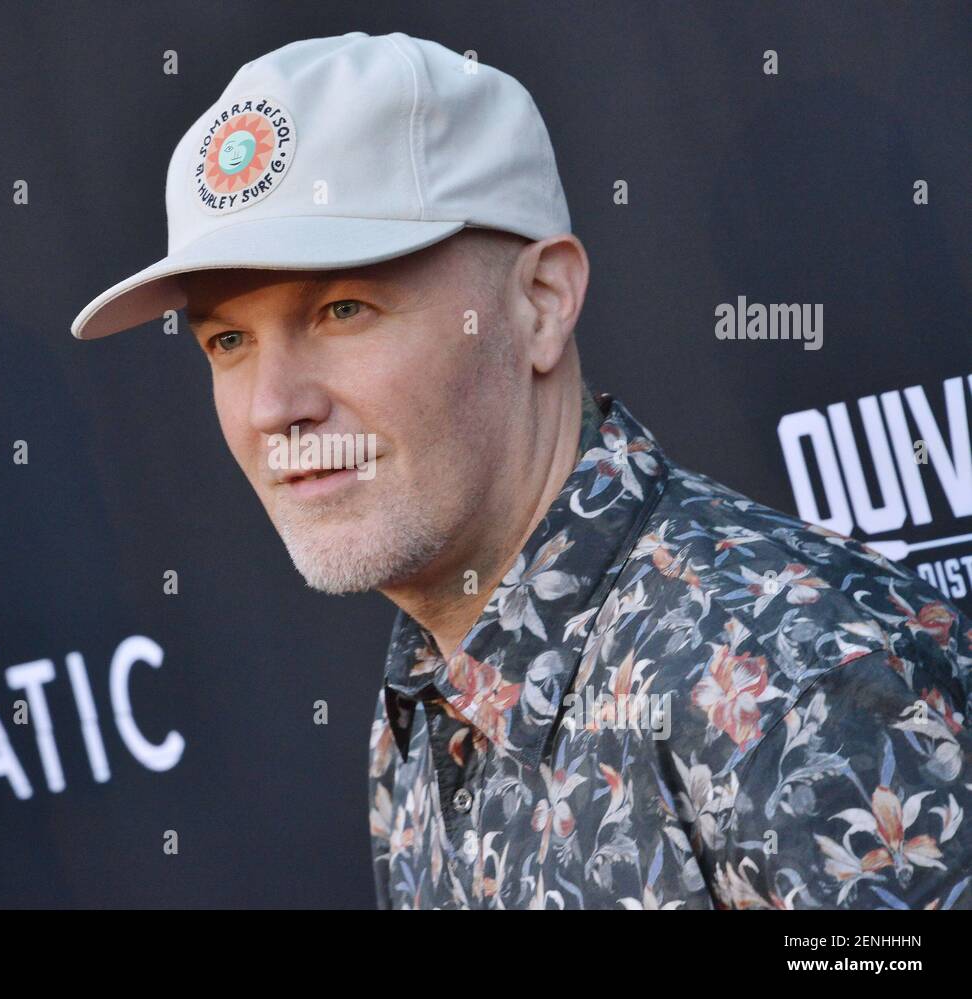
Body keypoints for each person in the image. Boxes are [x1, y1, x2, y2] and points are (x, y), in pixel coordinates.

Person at [70, 31, 972, 909]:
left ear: (541, 305)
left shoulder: (793, 678)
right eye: (228, 339)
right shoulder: (421, 709)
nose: (274, 404)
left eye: (343, 308)